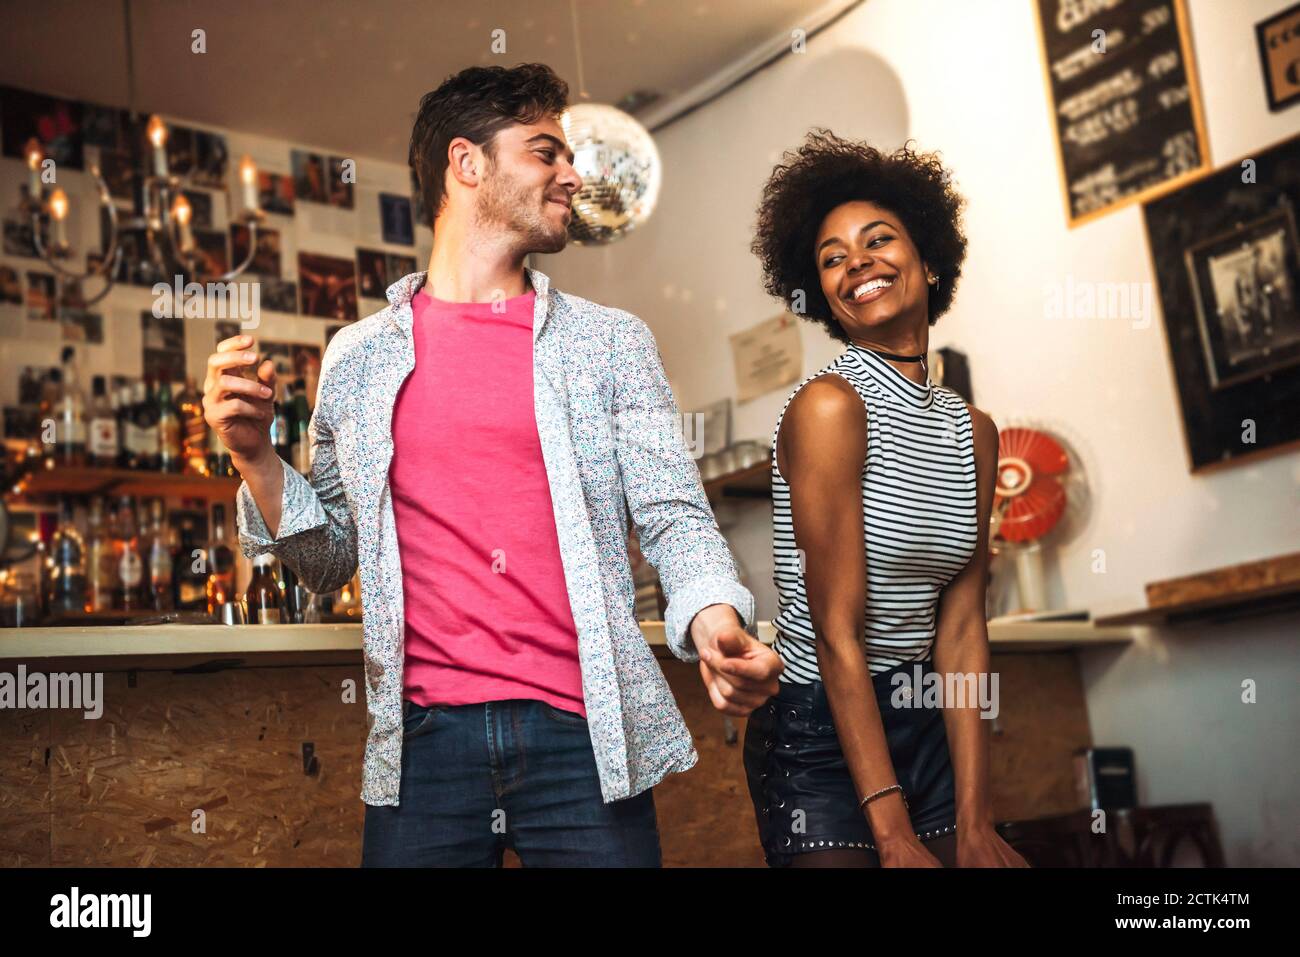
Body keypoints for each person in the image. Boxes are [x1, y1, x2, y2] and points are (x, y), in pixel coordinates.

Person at [201, 62, 781, 867]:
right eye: (546, 152)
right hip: (422, 749)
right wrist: (255, 456)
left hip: (584, 741)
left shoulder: (610, 344)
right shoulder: (357, 359)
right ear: (467, 164)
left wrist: (716, 618)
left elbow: (675, 517)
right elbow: (330, 562)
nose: (573, 175)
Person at [743, 130, 1028, 868]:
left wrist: (975, 817)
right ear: (825, 296)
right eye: (832, 258)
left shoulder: (976, 431)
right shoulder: (830, 408)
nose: (856, 262)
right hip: (821, 731)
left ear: (929, 262)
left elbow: (963, 628)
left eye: (878, 241)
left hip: (922, 716)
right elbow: (838, 631)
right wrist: (892, 831)